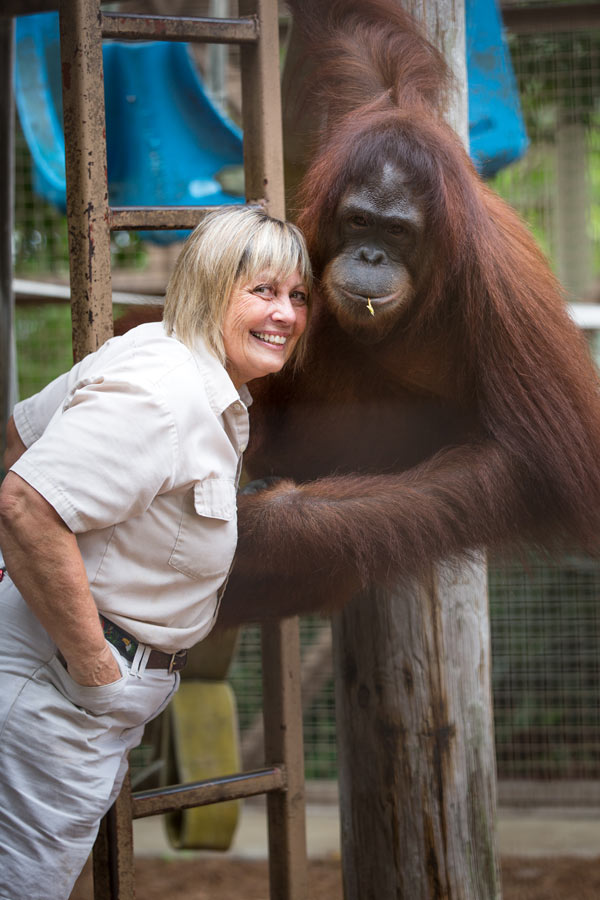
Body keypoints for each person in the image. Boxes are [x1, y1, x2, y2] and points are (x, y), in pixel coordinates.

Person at [0, 206, 312, 900]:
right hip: (61, 689)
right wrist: (96, 671)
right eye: (263, 290)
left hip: (64, 683)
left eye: (297, 296)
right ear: (207, 284)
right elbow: (25, 502)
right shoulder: (169, 395)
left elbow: (20, 440)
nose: (286, 314)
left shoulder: (166, 360)